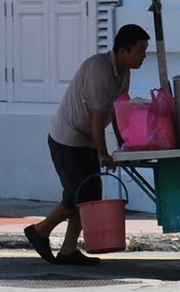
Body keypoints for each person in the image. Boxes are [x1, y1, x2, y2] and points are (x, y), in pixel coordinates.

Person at [24, 24, 151, 266]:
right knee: (78, 194)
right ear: (123, 51)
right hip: (67, 139)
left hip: (86, 139)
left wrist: (124, 141)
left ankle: (68, 250)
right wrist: (102, 152)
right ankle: (40, 230)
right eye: (140, 50)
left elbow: (116, 109)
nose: (144, 56)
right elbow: (96, 115)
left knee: (91, 193)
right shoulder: (99, 70)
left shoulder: (123, 72)